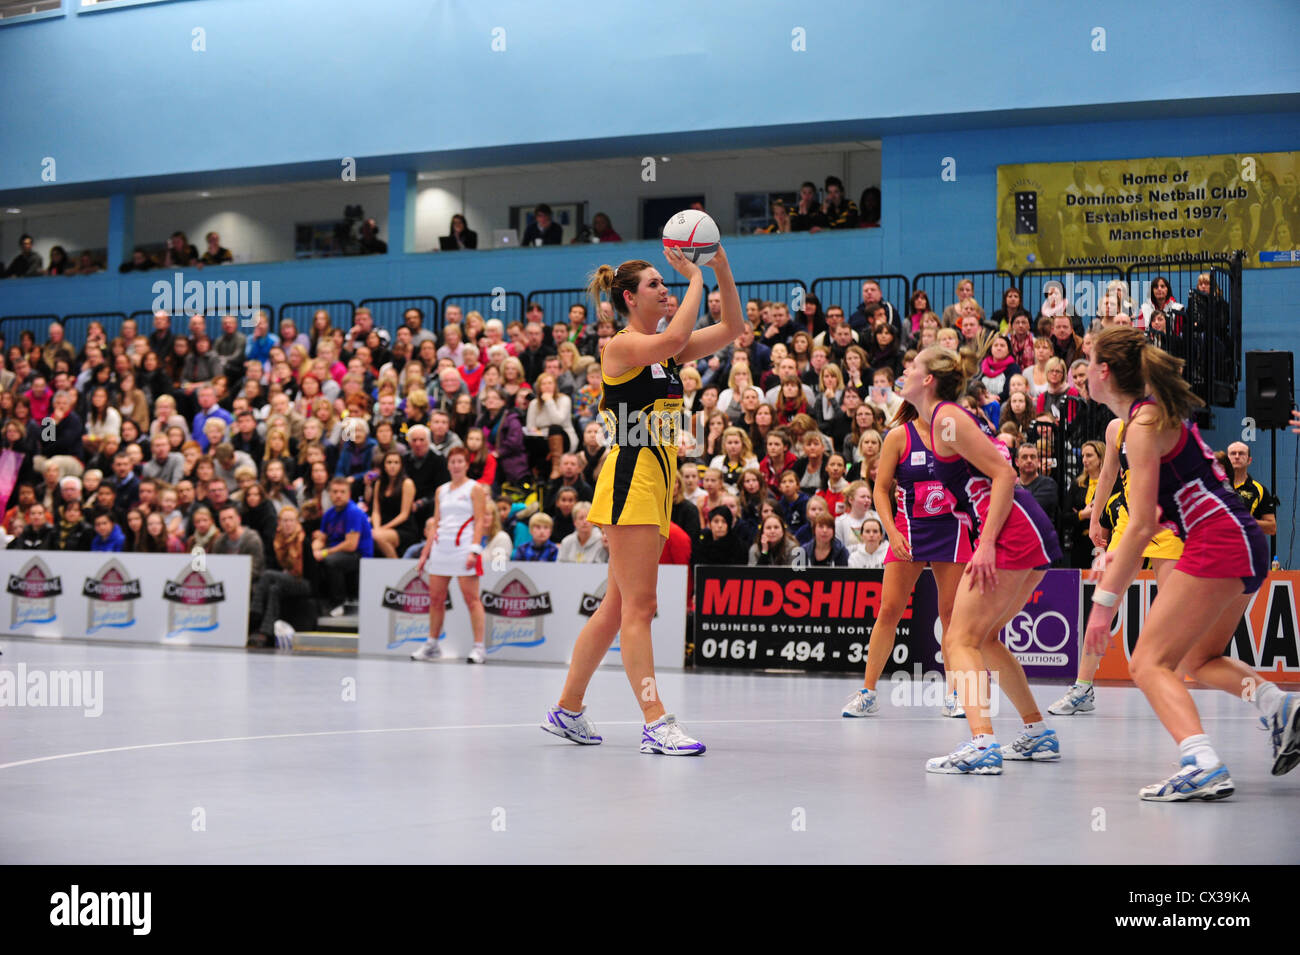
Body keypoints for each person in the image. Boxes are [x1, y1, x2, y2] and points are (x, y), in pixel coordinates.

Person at [543, 243, 742, 757]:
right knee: (641, 607)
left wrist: (719, 269)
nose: (665, 288)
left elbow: (732, 329)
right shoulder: (622, 347)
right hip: (630, 478)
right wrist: (695, 276)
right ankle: (656, 721)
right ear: (630, 298)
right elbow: (677, 333)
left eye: (666, 281)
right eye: (655, 283)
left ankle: (567, 709)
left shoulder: (665, 352)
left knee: (614, 608)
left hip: (654, 482)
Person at [1082, 326, 1293, 800]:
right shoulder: (1150, 416)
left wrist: (1102, 606)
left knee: (1147, 662)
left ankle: (1201, 762)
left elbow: (1138, 526)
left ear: (1105, 373)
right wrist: (1121, 548)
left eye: (1089, 361)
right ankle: (1279, 707)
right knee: (1200, 659)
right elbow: (1158, 510)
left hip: (1219, 540)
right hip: (1238, 540)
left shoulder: (1140, 425)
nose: (1083, 371)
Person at [905, 346, 1064, 775]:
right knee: (986, 638)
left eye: (912, 365)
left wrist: (987, 542)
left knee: (959, 639)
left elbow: (1004, 473)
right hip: (1020, 527)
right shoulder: (939, 420)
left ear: (928, 380)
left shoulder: (947, 419)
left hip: (1011, 529)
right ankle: (1037, 732)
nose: (905, 369)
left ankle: (982, 743)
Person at [841, 388, 976, 719]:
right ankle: (868, 692)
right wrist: (892, 531)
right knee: (889, 610)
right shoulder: (898, 436)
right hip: (909, 530)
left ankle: (955, 693)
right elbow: (880, 489)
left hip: (951, 530)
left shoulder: (957, 434)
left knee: (950, 616)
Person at [410, 446, 492, 663]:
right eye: (452, 462)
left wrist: (474, 549)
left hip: (464, 549)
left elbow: (480, 521)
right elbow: (436, 523)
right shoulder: (441, 491)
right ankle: (432, 645)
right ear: (448, 465)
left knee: (472, 600)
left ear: (466, 464)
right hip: (440, 550)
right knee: (435, 600)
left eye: (460, 461)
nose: (456, 465)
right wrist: (425, 554)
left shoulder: (475, 489)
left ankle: (479, 648)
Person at [248, 505, 313, 650]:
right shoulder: (276, 541)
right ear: (279, 523)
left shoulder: (304, 541)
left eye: (291, 521)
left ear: (297, 523)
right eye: (284, 521)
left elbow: (311, 571)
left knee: (267, 575)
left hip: (303, 581)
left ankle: (255, 610)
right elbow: (272, 564)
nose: (287, 524)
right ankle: (265, 633)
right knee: (274, 589)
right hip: (283, 580)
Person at [313, 477, 375, 617]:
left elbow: (351, 545)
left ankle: (338, 603)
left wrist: (324, 553)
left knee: (331, 561)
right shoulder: (329, 514)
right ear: (329, 494)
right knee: (313, 561)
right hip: (337, 552)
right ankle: (319, 604)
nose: (338, 495)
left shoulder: (353, 512)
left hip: (359, 555)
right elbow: (321, 538)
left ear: (349, 494)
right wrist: (314, 550)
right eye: (335, 492)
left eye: (342, 492)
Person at [1226, 441, 1277, 538]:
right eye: (1233, 453)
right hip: (1218, 547)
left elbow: (1272, 528)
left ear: (1249, 460)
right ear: (1227, 460)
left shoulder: (1259, 489)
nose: (1237, 456)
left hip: (1246, 548)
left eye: (1241, 453)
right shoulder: (1215, 485)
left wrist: (1244, 520)